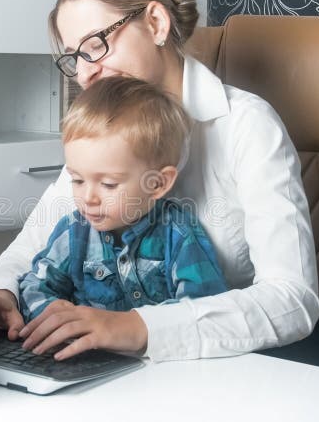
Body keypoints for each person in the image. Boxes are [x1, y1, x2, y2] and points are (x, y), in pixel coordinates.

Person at [0, 0, 319, 363]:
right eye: (74, 58)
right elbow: (30, 247)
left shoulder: (247, 125)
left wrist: (137, 327)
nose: (85, 72)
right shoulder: (105, 132)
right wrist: (1, 294)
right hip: (132, 374)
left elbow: (293, 299)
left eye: (96, 45)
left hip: (249, 372)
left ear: (156, 23)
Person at [18, 77, 228, 353]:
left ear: (157, 183)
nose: (88, 197)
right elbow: (34, 285)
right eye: (78, 180)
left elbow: (202, 309)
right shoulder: (74, 233)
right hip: (87, 361)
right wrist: (53, 313)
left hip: (161, 366)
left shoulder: (178, 235)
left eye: (108, 184)